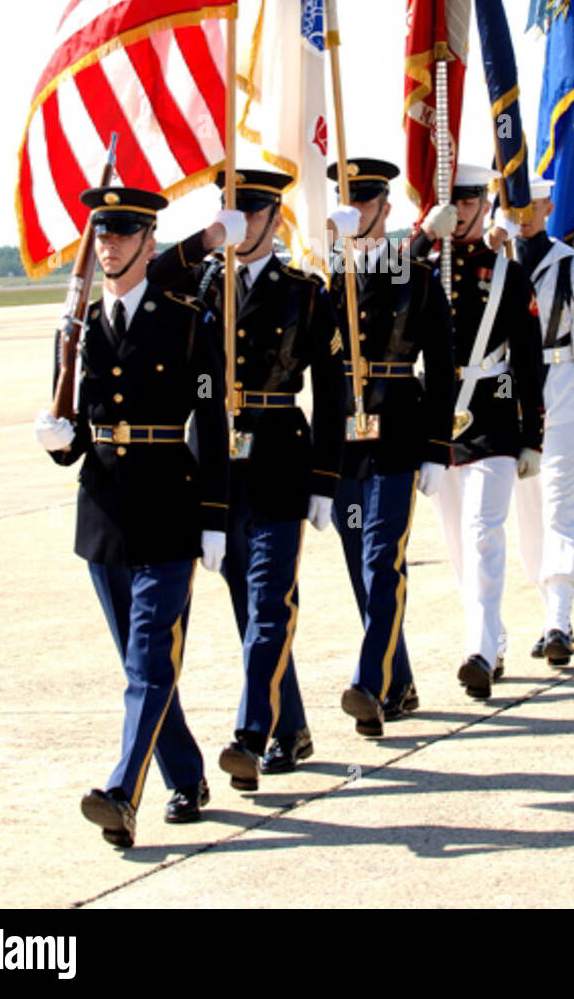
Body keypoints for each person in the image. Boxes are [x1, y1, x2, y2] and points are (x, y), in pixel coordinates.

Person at [34, 187, 229, 848]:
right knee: (142, 666)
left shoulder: (183, 317)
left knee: (150, 659)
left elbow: (213, 419)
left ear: (150, 242)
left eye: (121, 233)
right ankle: (189, 776)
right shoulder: (81, 325)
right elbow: (82, 426)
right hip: (105, 513)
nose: (108, 244)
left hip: (170, 507)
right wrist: (62, 441)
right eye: (101, 234)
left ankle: (122, 792)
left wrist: (215, 515)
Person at [148, 169, 347, 787]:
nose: (241, 226)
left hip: (282, 460)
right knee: (247, 607)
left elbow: (333, 391)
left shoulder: (304, 292)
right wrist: (206, 239)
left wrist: (325, 479)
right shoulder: (204, 281)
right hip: (214, 466)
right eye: (230, 214)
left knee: (269, 603)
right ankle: (291, 728)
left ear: (272, 218)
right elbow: (150, 280)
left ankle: (250, 735)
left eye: (249, 215)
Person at [325, 158, 455, 735]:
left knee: (383, 560)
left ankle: (368, 684)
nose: (354, 213)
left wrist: (436, 446)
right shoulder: (329, 281)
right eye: (345, 202)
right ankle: (398, 683)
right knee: (362, 569)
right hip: (345, 447)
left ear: (385, 209)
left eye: (364, 203)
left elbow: (443, 370)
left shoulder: (415, 278)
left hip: (400, 436)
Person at [412, 166, 544, 697]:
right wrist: (422, 238)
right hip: (439, 420)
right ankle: (492, 635)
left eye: (468, 202)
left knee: (483, 532)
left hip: (492, 413)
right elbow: (376, 285)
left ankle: (480, 652)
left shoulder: (508, 274)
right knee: (457, 544)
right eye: (452, 202)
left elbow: (530, 360)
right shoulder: (421, 271)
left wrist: (531, 434)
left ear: (483, 204)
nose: (461, 211)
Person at [492, 177, 574, 667]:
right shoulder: (496, 263)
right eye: (514, 205)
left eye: (532, 205)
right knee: (526, 515)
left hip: (559, 390)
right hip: (509, 394)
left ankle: (560, 617)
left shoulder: (572, 267)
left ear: (548, 207)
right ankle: (547, 611)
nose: (523, 214)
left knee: (560, 506)